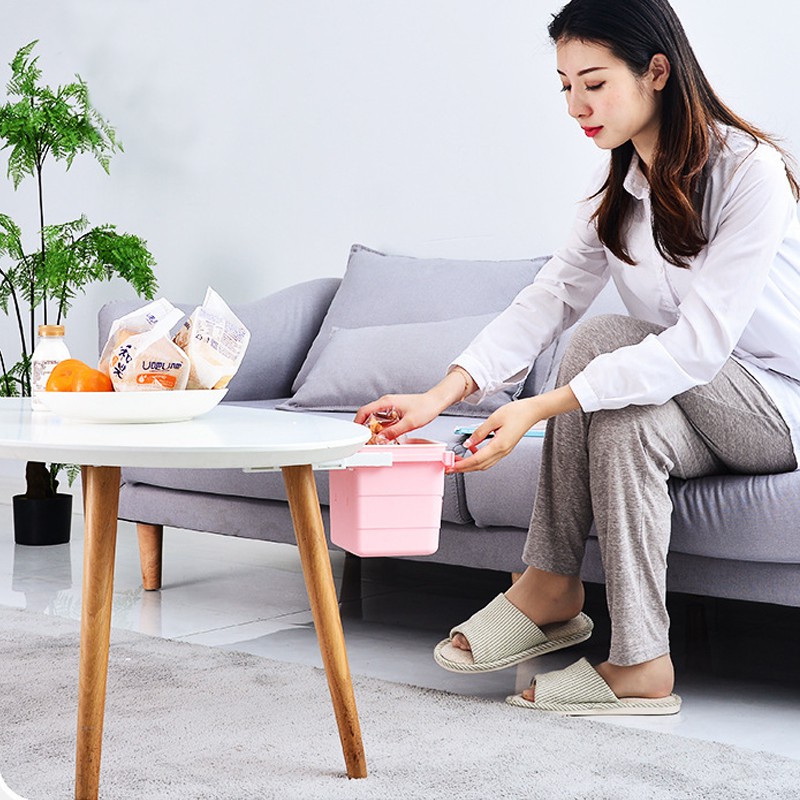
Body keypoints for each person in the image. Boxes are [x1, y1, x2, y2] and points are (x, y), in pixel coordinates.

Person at [356, 0, 800, 716]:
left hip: (775, 409)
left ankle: (550, 583)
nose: (575, 105)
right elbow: (549, 298)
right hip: (690, 408)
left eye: (592, 83)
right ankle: (641, 663)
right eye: (565, 85)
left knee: (600, 339)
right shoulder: (619, 189)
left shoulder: (751, 172)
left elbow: (698, 346)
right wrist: (439, 397)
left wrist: (537, 405)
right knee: (626, 422)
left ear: (656, 71)